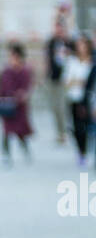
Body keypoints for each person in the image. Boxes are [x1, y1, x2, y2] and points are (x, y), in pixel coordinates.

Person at [0, 42, 33, 163]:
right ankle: (6, 155)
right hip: (7, 105)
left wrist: (21, 95)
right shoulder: (6, 71)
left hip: (19, 107)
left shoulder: (25, 71)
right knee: (6, 131)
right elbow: (1, 87)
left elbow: (27, 88)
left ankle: (25, 150)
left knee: (20, 132)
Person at [63, 33, 94, 166]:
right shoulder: (72, 61)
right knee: (76, 127)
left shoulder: (92, 62)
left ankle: (87, 150)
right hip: (75, 98)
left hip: (89, 99)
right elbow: (67, 81)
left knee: (87, 126)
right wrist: (78, 81)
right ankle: (81, 152)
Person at [45, 13, 71, 145]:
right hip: (52, 78)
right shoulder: (51, 42)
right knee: (54, 107)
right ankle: (59, 132)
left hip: (64, 79)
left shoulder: (68, 42)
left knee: (61, 106)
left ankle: (64, 132)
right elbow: (47, 60)